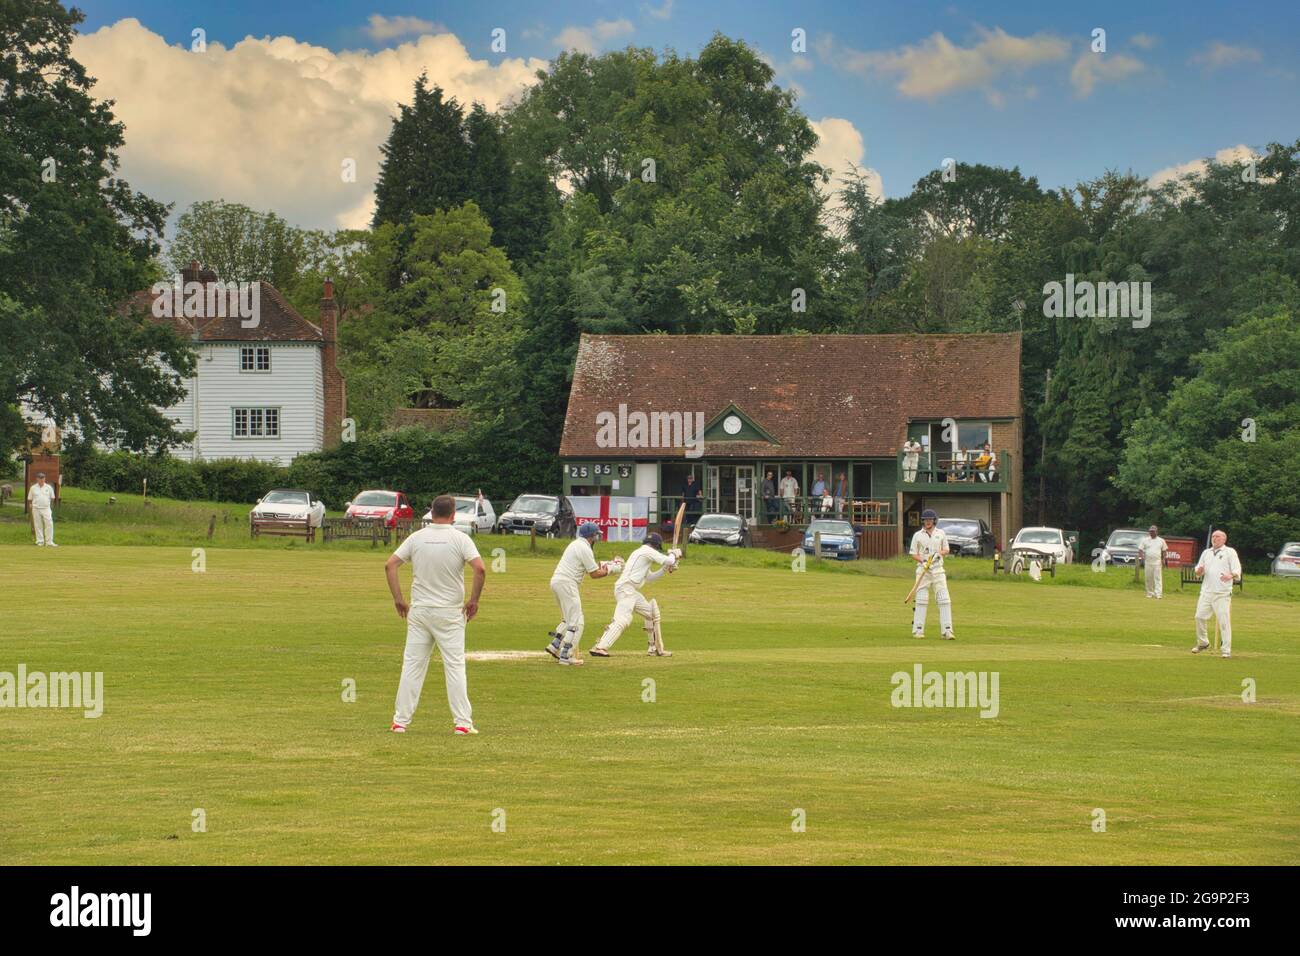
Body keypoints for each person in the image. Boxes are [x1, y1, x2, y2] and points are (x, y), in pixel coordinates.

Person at [385, 494, 486, 734]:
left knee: (412, 666)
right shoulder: (460, 539)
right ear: (453, 515)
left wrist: (398, 599)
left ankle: (400, 721)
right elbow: (480, 569)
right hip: (449, 613)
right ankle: (462, 723)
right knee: (454, 666)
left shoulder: (416, 537)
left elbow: (390, 565)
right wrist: (473, 601)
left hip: (419, 611)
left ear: (431, 513)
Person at [590, 532, 680, 658]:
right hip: (626, 589)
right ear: (655, 545)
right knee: (623, 620)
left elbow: (650, 578)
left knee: (652, 613)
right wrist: (674, 554)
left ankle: (654, 648)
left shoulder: (642, 553)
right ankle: (600, 647)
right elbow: (669, 559)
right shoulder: (647, 551)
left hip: (630, 590)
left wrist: (665, 569)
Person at [545, 523, 619, 665]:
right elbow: (594, 574)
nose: (598, 537)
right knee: (578, 621)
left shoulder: (575, 544)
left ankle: (555, 646)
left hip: (557, 581)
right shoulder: (585, 548)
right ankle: (567, 655)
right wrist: (612, 569)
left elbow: (590, 566)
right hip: (568, 583)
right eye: (597, 535)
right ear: (592, 536)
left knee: (568, 618)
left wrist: (608, 565)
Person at [1192, 529, 1241, 659]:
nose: (1214, 538)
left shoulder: (1230, 552)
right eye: (1213, 536)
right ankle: (1203, 643)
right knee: (1199, 617)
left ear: (1224, 539)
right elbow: (1198, 571)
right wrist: (1199, 571)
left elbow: (1237, 570)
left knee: (1224, 622)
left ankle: (1226, 650)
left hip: (1222, 593)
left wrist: (1230, 575)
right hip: (1206, 592)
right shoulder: (1206, 553)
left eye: (1217, 536)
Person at [909, 509, 955, 640]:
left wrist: (938, 554)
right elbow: (913, 553)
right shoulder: (918, 535)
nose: (927, 522)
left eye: (929, 520)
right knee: (922, 600)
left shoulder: (941, 533)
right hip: (923, 571)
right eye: (925, 520)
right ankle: (918, 630)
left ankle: (947, 631)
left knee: (944, 599)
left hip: (938, 570)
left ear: (934, 521)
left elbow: (946, 549)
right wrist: (923, 561)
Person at [1137, 524, 1168, 599]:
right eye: (1150, 531)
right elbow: (1140, 549)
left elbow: (1164, 551)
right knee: (1148, 578)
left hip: (1157, 562)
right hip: (1148, 562)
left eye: (1153, 531)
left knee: (1157, 578)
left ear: (1156, 532)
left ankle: (1158, 594)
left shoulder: (1161, 540)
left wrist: (1163, 559)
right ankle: (1150, 593)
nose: (1151, 533)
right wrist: (1141, 557)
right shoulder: (1145, 540)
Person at [27, 472, 57, 547]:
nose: (41, 479)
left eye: (43, 478)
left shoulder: (49, 487)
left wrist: (49, 505)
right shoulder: (33, 488)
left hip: (46, 508)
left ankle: (49, 542)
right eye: (40, 478)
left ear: (45, 478)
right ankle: (40, 541)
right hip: (36, 508)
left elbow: (52, 498)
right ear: (37, 479)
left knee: (49, 524)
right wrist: (31, 505)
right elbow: (30, 498)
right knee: (38, 525)